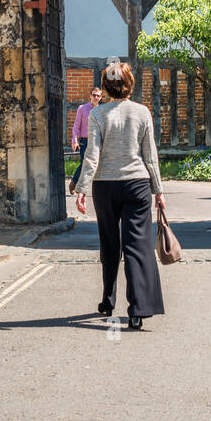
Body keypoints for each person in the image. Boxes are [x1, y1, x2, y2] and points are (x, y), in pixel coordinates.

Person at [74, 59, 166, 330]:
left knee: (109, 244)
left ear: (104, 87)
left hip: (105, 186)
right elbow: (150, 156)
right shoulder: (142, 112)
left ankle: (108, 299)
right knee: (137, 245)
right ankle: (137, 310)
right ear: (129, 85)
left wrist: (81, 189)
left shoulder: (98, 115)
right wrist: (158, 190)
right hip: (137, 184)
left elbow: (92, 156)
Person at [69, 84, 102, 195]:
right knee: (84, 163)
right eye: (94, 95)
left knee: (97, 164)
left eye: (98, 96)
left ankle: (94, 189)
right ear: (90, 96)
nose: (96, 97)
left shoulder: (101, 111)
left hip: (97, 141)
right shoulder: (82, 108)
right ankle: (73, 183)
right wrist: (75, 140)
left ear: (100, 97)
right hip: (84, 141)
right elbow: (76, 126)